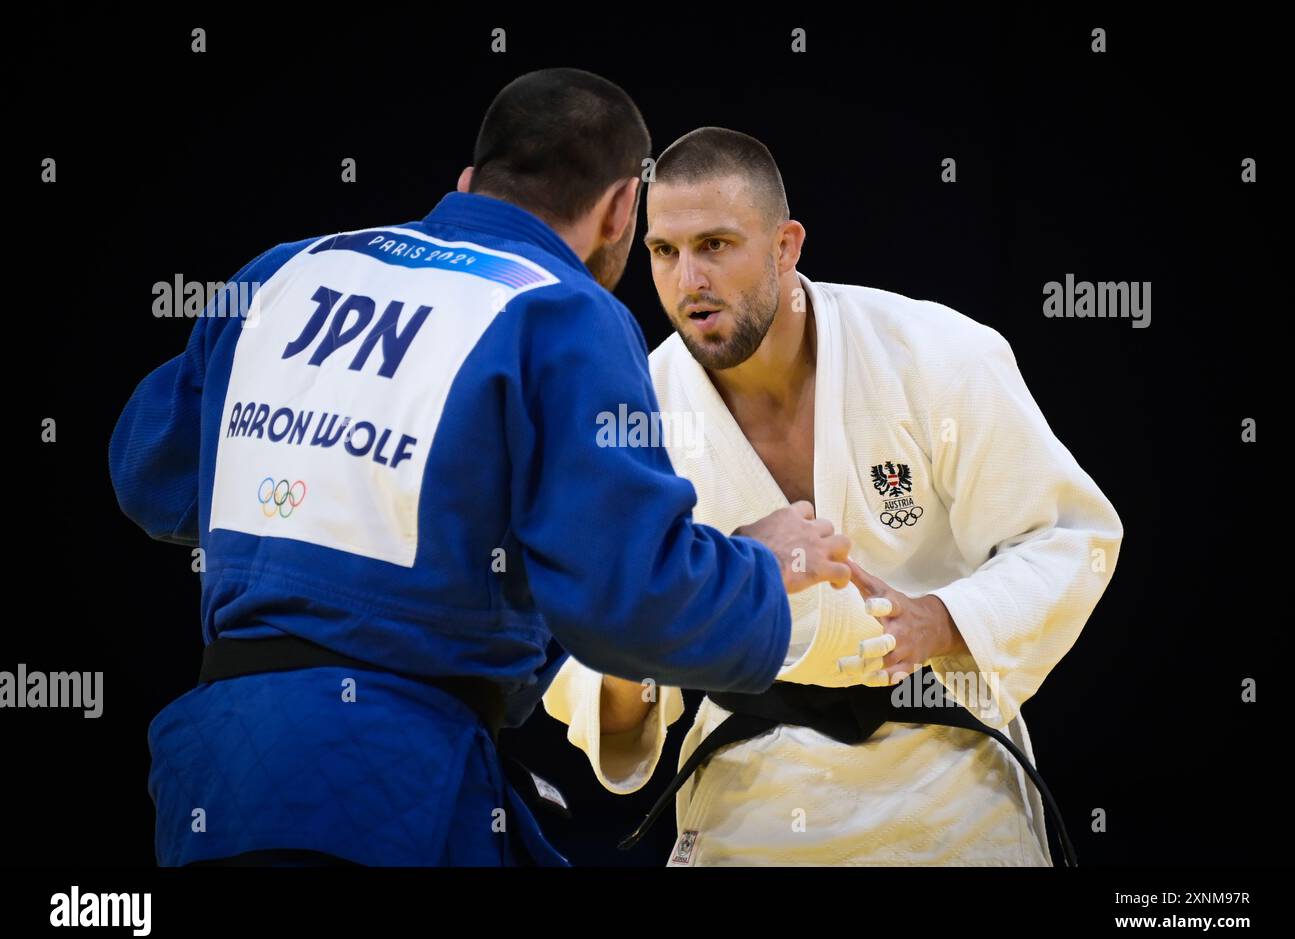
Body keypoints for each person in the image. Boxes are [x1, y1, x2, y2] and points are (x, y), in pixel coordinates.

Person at [108, 77, 854, 867]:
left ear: (468, 184)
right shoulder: (560, 311)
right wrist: (762, 565)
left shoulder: (290, 270)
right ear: (617, 212)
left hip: (217, 775)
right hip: (392, 787)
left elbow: (148, 468)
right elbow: (629, 601)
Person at [544, 127, 1124, 866]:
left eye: (716, 245)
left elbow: (1071, 537)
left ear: (786, 246)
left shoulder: (936, 354)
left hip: (949, 772)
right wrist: (685, 597)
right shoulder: (640, 415)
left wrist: (940, 621)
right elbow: (610, 669)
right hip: (751, 784)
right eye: (664, 251)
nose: (687, 279)